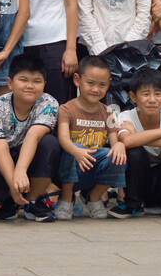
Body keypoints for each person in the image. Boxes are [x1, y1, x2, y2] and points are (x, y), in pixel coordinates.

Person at [0, 53, 62, 221]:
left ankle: (32, 201)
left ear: (44, 84)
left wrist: (21, 170)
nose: (30, 86)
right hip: (2, 154)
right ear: (9, 83)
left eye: (37, 81)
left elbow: (33, 135)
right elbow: (0, 148)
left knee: (50, 144)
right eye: (23, 80)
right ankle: (10, 200)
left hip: (30, 155)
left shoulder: (49, 103)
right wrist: (13, 184)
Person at [109, 68, 161, 219]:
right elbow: (127, 141)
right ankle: (133, 205)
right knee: (134, 153)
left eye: (158, 94)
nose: (152, 100)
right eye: (146, 94)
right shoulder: (125, 115)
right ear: (133, 97)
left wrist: (137, 136)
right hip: (140, 182)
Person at [54, 54, 126, 220]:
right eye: (90, 83)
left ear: (109, 84)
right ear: (77, 80)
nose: (95, 89)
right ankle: (66, 198)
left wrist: (119, 146)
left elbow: (114, 139)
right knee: (75, 148)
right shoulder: (66, 109)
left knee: (118, 156)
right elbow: (63, 138)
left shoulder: (108, 111)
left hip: (94, 165)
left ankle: (94, 197)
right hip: (71, 165)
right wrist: (77, 151)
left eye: (102, 85)